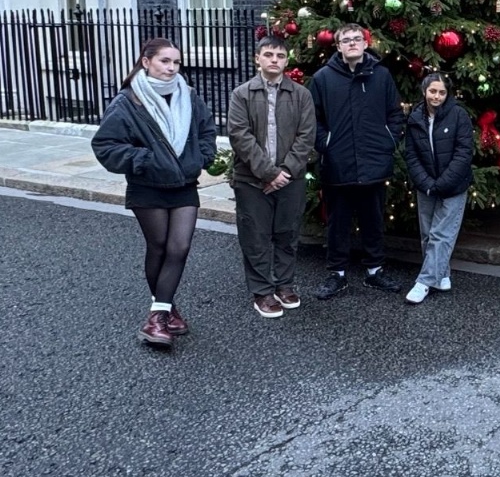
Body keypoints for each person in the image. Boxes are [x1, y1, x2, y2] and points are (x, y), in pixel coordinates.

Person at [92, 38, 217, 348]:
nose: (171, 68)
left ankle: (156, 317)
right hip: (148, 186)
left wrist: (201, 157)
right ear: (146, 61)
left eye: (176, 62)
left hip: (184, 184)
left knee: (180, 247)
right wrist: (145, 159)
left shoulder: (188, 95)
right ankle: (164, 311)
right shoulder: (128, 101)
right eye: (165, 61)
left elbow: (207, 131)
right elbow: (105, 145)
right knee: (159, 246)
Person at [310, 24, 405, 298]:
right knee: (337, 222)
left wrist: (388, 140)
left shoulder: (382, 76)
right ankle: (336, 274)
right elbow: (313, 119)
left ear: (365, 44)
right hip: (337, 165)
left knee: (373, 219)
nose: (352, 43)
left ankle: (375, 271)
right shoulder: (322, 79)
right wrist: (325, 143)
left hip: (374, 163)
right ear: (338, 46)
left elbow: (395, 114)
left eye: (356, 39)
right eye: (346, 40)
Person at [227, 35, 317, 319]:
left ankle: (284, 284)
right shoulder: (241, 94)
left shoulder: (301, 94)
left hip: (291, 178)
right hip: (252, 179)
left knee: (287, 233)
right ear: (258, 58)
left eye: (279, 56)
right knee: (255, 235)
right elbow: (240, 136)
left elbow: (307, 136)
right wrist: (269, 173)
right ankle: (262, 291)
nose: (274, 60)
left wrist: (286, 172)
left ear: (286, 61)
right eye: (268, 55)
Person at [403, 72, 474, 305]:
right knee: (427, 234)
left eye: (442, 92)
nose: (437, 96)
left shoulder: (458, 115)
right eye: (432, 91)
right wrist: (426, 183)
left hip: (453, 186)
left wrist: (442, 183)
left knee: (441, 234)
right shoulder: (415, 118)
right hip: (426, 186)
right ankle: (441, 274)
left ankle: (423, 282)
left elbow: (463, 153)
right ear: (425, 92)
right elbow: (411, 155)